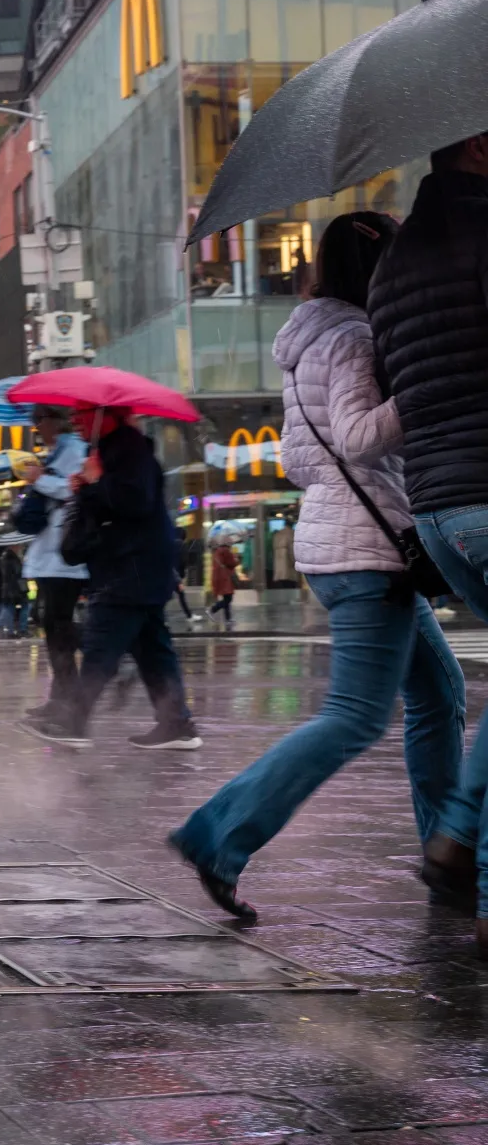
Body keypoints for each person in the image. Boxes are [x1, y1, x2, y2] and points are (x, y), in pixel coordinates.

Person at [172, 212, 472, 924]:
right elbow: (360, 437)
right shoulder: (353, 338)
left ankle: (448, 855)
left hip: (352, 543)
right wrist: (424, 389)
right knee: (354, 716)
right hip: (367, 552)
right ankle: (218, 834)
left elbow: (298, 457)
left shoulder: (309, 342)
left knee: (440, 694)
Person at [370, 130, 488, 951]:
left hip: (439, 510)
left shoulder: (391, 265)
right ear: (476, 146)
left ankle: (459, 841)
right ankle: (461, 836)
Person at [20, 404, 199, 751]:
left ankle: (72, 723)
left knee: (101, 645)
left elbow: (135, 502)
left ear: (108, 414)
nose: (75, 420)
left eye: (82, 414)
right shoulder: (113, 449)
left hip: (131, 565)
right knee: (152, 648)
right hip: (135, 563)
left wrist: (95, 482)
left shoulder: (128, 449)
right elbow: (113, 502)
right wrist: (86, 487)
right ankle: (176, 724)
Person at [18, 404, 89, 717]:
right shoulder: (57, 452)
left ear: (57, 420)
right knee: (53, 626)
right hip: (50, 554)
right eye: (34, 421)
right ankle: (62, 698)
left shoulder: (74, 449)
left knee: (58, 625)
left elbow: (77, 489)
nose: (37, 427)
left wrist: (40, 480)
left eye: (40, 420)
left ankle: (116, 652)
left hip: (65, 555)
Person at [208, 541, 240, 627]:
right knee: (228, 599)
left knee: (227, 597)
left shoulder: (217, 552)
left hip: (220, 577)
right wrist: (237, 559)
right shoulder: (226, 550)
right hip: (226, 577)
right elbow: (232, 563)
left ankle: (228, 619)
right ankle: (212, 610)